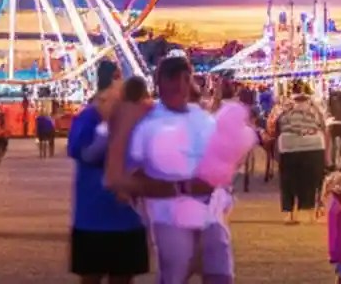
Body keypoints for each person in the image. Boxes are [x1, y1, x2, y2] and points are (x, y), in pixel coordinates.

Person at [127, 55, 235, 284]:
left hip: (210, 214)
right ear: (159, 83)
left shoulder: (203, 119)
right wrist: (181, 187)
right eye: (172, 79)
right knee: (174, 276)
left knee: (220, 275)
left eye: (185, 78)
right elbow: (134, 177)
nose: (180, 85)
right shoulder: (147, 123)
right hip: (170, 218)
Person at [68, 61, 149, 283]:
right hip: (94, 217)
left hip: (125, 216)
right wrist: (106, 123)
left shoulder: (134, 117)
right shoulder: (88, 118)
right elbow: (86, 155)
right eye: (118, 78)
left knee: (122, 278)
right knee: (92, 278)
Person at [268, 80, 328, 224]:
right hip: (313, 144)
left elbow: (273, 125)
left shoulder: (284, 105)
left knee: (288, 181)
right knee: (312, 180)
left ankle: (290, 214)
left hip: (288, 145)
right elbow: (323, 125)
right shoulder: (316, 105)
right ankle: (310, 214)